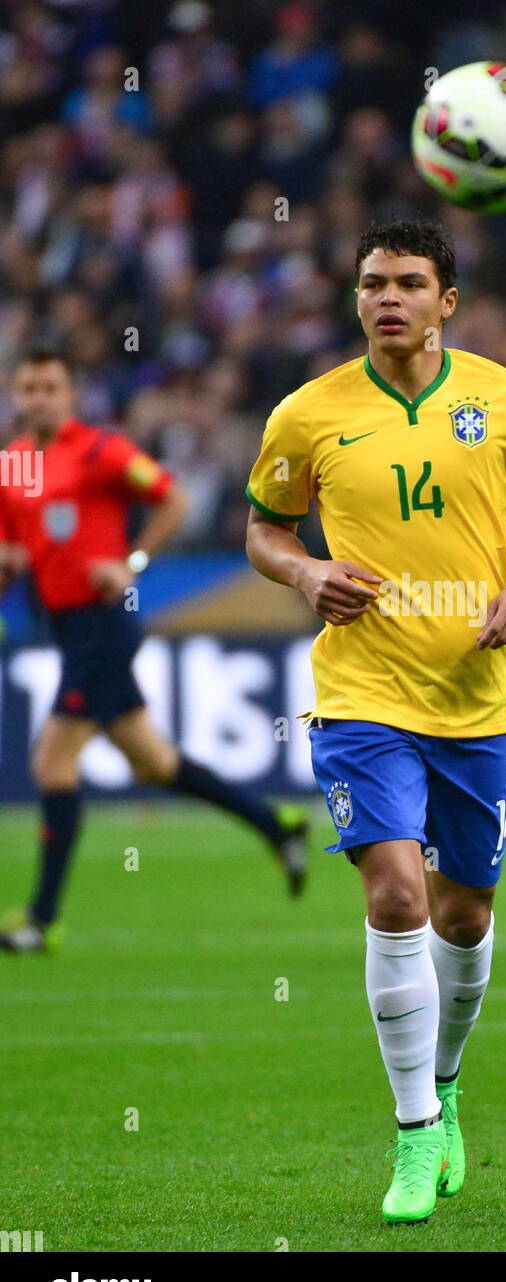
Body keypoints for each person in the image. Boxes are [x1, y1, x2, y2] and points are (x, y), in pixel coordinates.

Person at [245, 217, 506, 1224]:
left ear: (447, 301)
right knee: (396, 895)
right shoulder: (308, 414)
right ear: (353, 296)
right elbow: (264, 531)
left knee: (462, 914)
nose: (385, 296)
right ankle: (408, 1137)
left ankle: (443, 1087)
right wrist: (306, 568)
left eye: (407, 281)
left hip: (475, 696)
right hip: (359, 695)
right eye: (370, 282)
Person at [0, 347, 308, 954]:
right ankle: (277, 825)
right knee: (153, 764)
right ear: (16, 394)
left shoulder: (99, 450)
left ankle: (42, 919)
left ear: (70, 393)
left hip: (104, 625)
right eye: (28, 387)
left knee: (51, 765)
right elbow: (15, 543)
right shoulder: (15, 464)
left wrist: (132, 563)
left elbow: (174, 499)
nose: (38, 397)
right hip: (65, 627)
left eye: (49, 386)